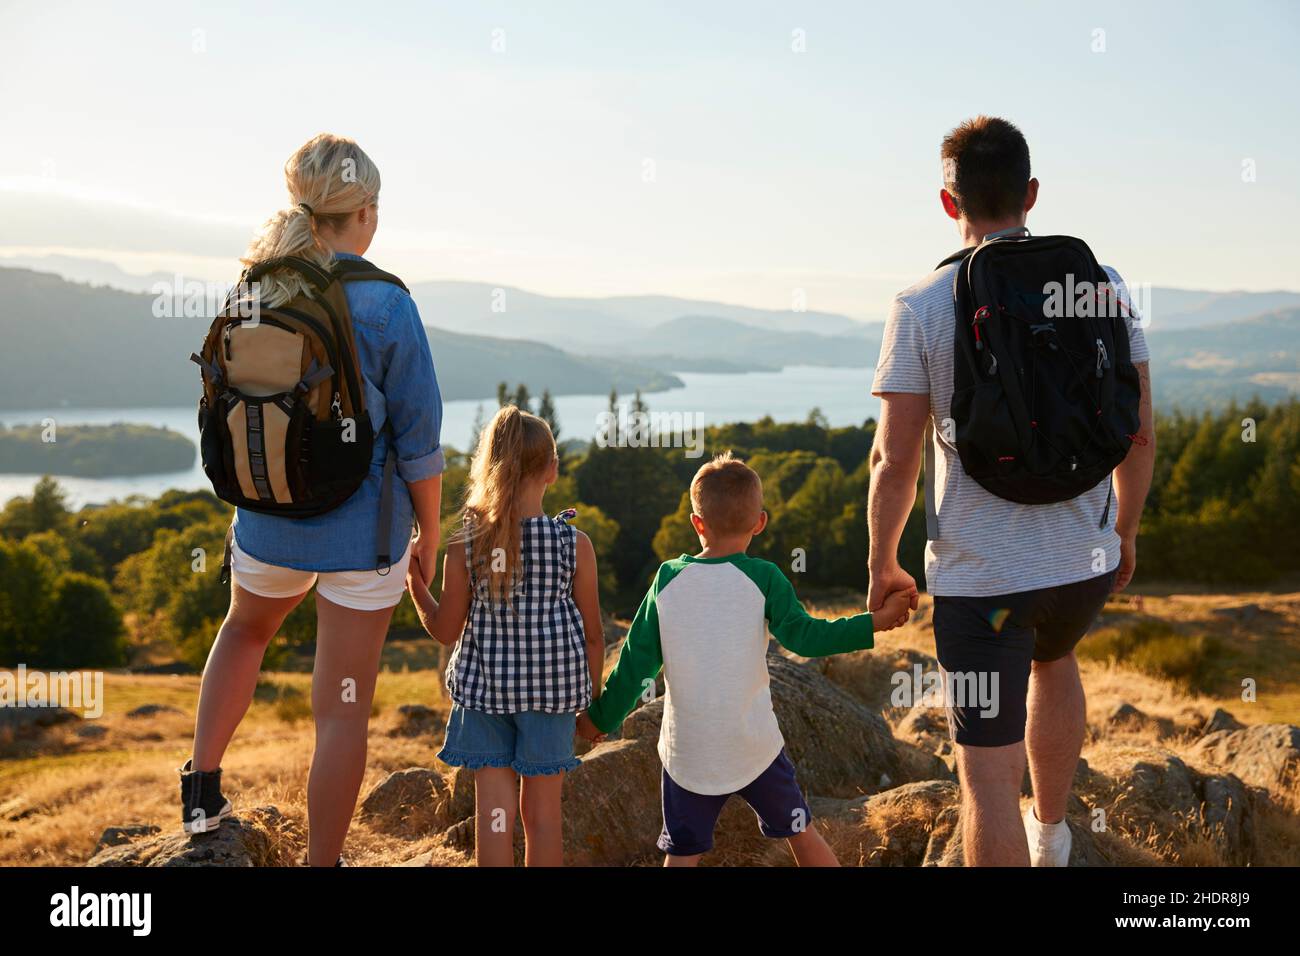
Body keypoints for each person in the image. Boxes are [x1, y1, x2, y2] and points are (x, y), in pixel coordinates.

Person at [868, 116, 1155, 866]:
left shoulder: (922, 303)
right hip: (1080, 564)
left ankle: (1023, 833)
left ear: (947, 202)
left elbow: (892, 461)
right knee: (1055, 661)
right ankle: (1053, 837)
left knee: (986, 790)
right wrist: (1123, 532)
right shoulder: (1105, 288)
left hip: (982, 580)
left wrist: (882, 563)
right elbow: (1138, 431)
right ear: (1030, 194)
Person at [182, 134, 445, 866]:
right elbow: (421, 445)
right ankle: (321, 862)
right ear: (364, 211)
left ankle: (201, 793)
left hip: (265, 522)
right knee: (342, 710)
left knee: (243, 632)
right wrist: (429, 535)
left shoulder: (257, 287)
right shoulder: (388, 304)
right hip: (364, 540)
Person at [577, 452, 913, 866]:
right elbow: (807, 638)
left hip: (689, 753)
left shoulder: (666, 580)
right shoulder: (765, 577)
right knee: (801, 834)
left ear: (696, 523)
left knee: (682, 855)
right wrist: (874, 622)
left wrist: (599, 720)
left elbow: (634, 665)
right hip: (755, 749)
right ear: (760, 522)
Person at [406, 406, 606, 867]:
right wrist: (589, 703)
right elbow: (594, 636)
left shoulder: (465, 545)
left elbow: (445, 631)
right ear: (552, 470)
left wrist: (415, 586)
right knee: (543, 818)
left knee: (493, 816)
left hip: (485, 695)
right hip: (552, 697)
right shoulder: (575, 545)